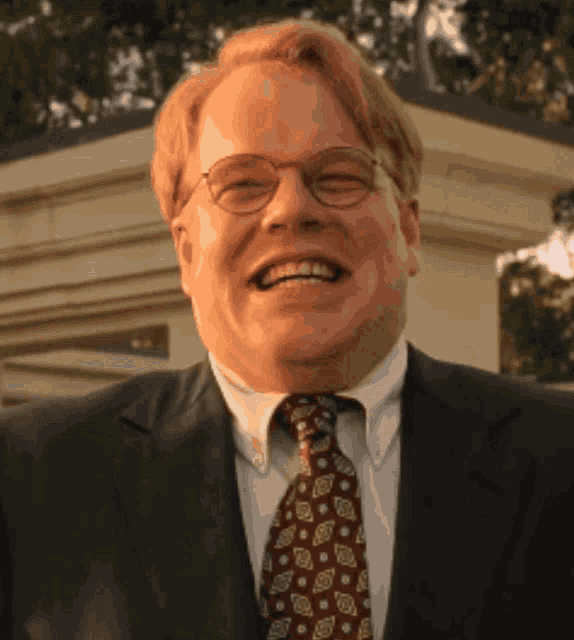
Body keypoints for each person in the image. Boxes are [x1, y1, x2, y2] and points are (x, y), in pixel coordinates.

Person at [1, 17, 573, 640]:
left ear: (408, 230)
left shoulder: (558, 456)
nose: (292, 208)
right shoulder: (30, 479)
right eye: (243, 183)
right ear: (186, 252)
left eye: (340, 176)